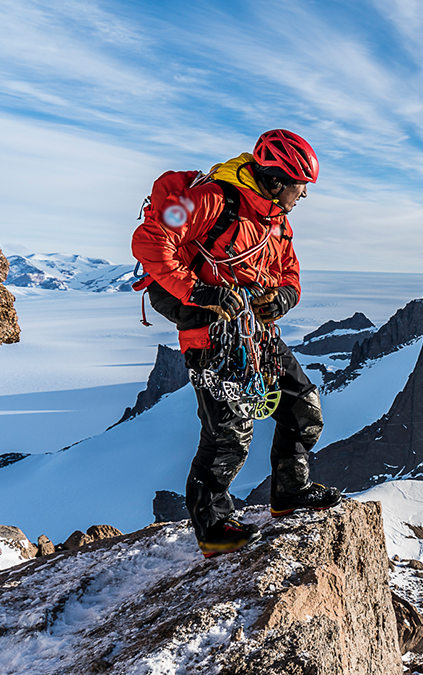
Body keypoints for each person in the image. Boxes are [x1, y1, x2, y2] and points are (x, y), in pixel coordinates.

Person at [132, 129, 341, 557]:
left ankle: (290, 492)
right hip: (210, 333)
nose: (302, 196)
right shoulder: (210, 199)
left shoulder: (277, 222)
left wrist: (284, 296)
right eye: (301, 186)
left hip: (256, 335)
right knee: (227, 434)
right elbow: (150, 239)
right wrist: (196, 290)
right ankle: (213, 529)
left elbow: (289, 274)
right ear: (278, 179)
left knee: (302, 408)